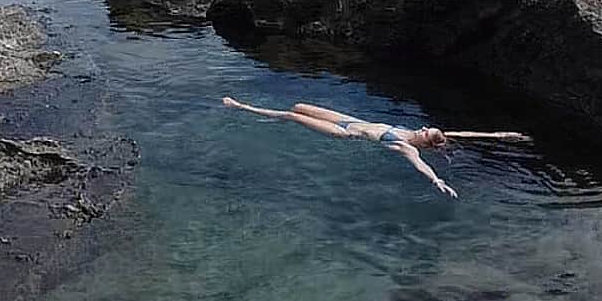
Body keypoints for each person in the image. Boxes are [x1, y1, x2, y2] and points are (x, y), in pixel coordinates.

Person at [222, 97, 529, 198]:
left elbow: (420, 166)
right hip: (351, 118)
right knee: (300, 105)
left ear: (425, 141)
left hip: (345, 133)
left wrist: (437, 181)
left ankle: (240, 107)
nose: (423, 127)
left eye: (426, 131)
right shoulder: (422, 134)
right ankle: (254, 111)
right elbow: (463, 133)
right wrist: (500, 135)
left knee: (291, 115)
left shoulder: (409, 148)